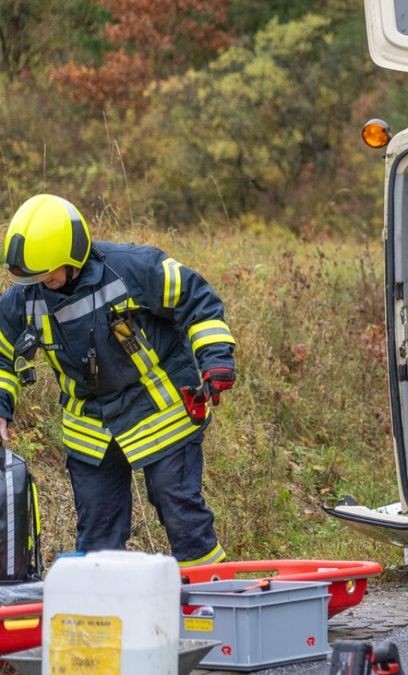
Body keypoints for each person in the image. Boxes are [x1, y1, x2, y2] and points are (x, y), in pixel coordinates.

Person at [1, 194, 237, 567]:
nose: (41, 284)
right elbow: (1, 352)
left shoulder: (134, 268)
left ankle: (213, 603)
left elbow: (198, 300)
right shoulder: (26, 298)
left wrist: (216, 359)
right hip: (90, 426)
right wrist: (2, 406)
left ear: (73, 258)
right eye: (32, 278)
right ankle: (105, 617)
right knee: (98, 532)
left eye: (47, 274)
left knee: (179, 511)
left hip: (160, 410)